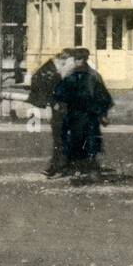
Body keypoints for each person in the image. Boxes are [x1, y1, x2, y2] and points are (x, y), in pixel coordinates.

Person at [52, 48, 114, 179]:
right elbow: (60, 93)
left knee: (91, 142)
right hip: (74, 115)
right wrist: (59, 105)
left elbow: (103, 97)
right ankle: (76, 168)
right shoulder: (70, 75)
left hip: (90, 116)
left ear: (85, 60)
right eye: (76, 59)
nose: (77, 62)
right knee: (75, 142)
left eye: (80, 59)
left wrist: (103, 114)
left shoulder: (93, 76)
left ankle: (92, 169)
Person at [28, 50, 74, 177]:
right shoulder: (52, 71)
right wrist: (48, 105)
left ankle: (59, 166)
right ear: (61, 60)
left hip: (60, 109)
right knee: (60, 139)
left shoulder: (51, 69)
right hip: (59, 109)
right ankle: (60, 166)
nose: (67, 65)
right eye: (65, 62)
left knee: (61, 139)